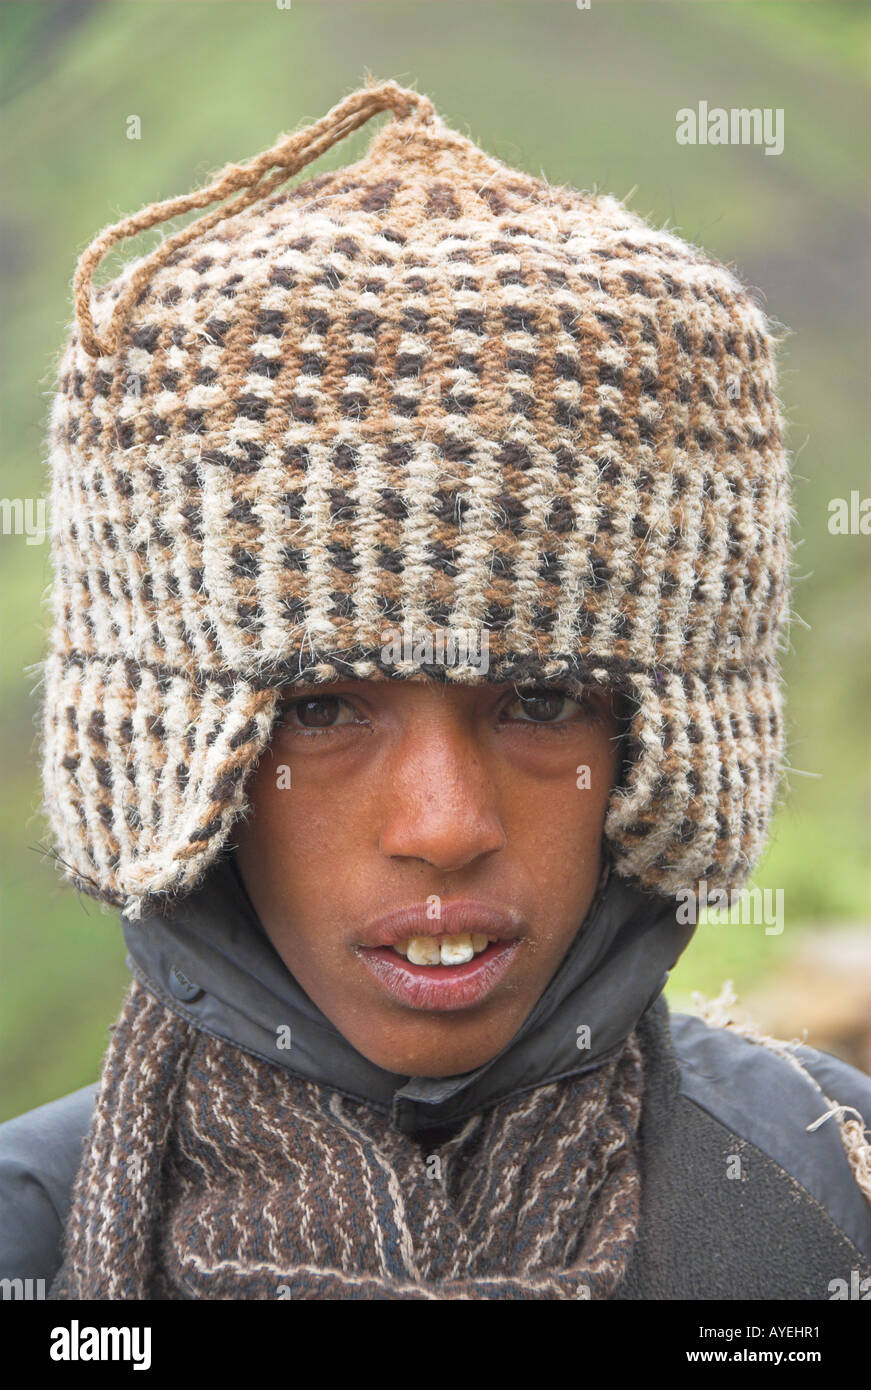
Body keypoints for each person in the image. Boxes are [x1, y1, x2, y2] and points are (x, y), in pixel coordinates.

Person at [2, 79, 869, 1301]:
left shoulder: (827, 1202)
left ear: (665, 739)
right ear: (172, 748)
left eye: (539, 701)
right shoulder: (33, 1241)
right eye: (320, 709)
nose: (445, 826)